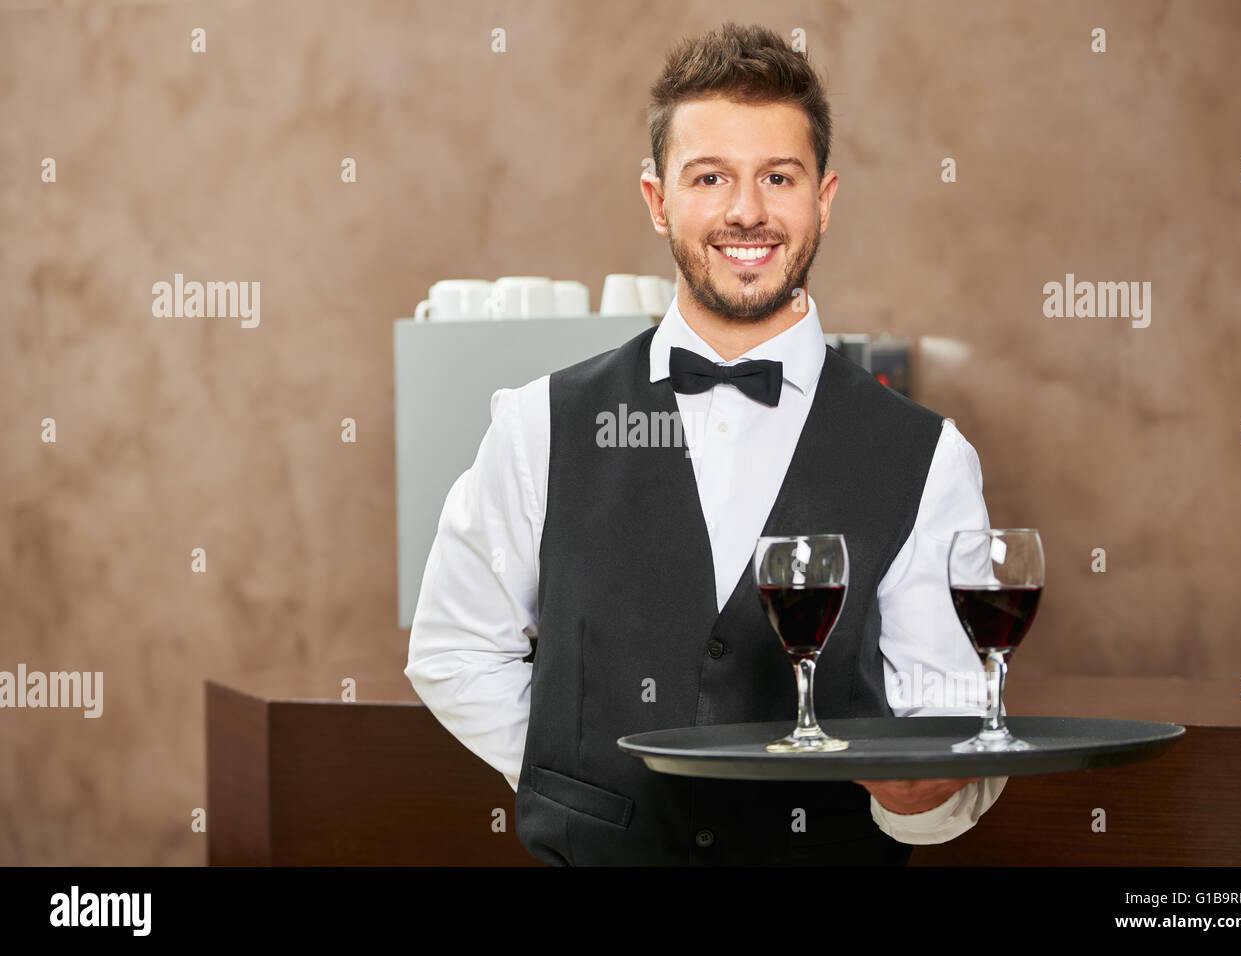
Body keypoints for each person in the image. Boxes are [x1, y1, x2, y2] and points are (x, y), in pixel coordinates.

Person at [405, 21, 1008, 865]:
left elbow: (945, 720)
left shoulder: (928, 457)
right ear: (659, 200)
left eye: (779, 177)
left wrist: (920, 806)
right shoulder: (539, 423)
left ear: (823, 199)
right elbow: (454, 646)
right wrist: (578, 788)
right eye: (711, 176)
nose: (746, 211)